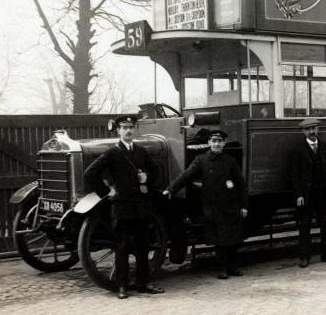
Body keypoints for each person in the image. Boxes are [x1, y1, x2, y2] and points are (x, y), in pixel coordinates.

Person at [83, 115, 165, 299]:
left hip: (142, 207)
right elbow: (90, 174)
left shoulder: (141, 152)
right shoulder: (113, 152)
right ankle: (122, 285)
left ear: (134, 129)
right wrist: (106, 192)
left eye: (130, 127)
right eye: (124, 127)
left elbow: (156, 171)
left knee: (143, 247)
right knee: (122, 248)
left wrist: (147, 178)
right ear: (118, 130)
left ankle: (144, 283)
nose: (128, 131)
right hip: (122, 208)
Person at [163, 130, 248, 279]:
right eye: (214, 141)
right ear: (209, 143)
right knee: (220, 240)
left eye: (219, 141)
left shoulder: (230, 161)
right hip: (213, 206)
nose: (216, 144)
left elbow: (241, 184)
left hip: (231, 205)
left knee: (233, 238)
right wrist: (171, 188)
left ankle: (233, 267)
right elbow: (186, 175)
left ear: (224, 143)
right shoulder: (201, 160)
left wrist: (244, 206)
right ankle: (222, 269)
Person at [288, 118, 326, 268]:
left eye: (314, 128)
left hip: (323, 193)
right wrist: (298, 194)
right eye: (308, 129)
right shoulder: (297, 149)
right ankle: (304, 257)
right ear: (303, 132)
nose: (312, 131)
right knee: (305, 226)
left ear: (318, 129)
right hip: (307, 195)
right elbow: (294, 175)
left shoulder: (324, 147)